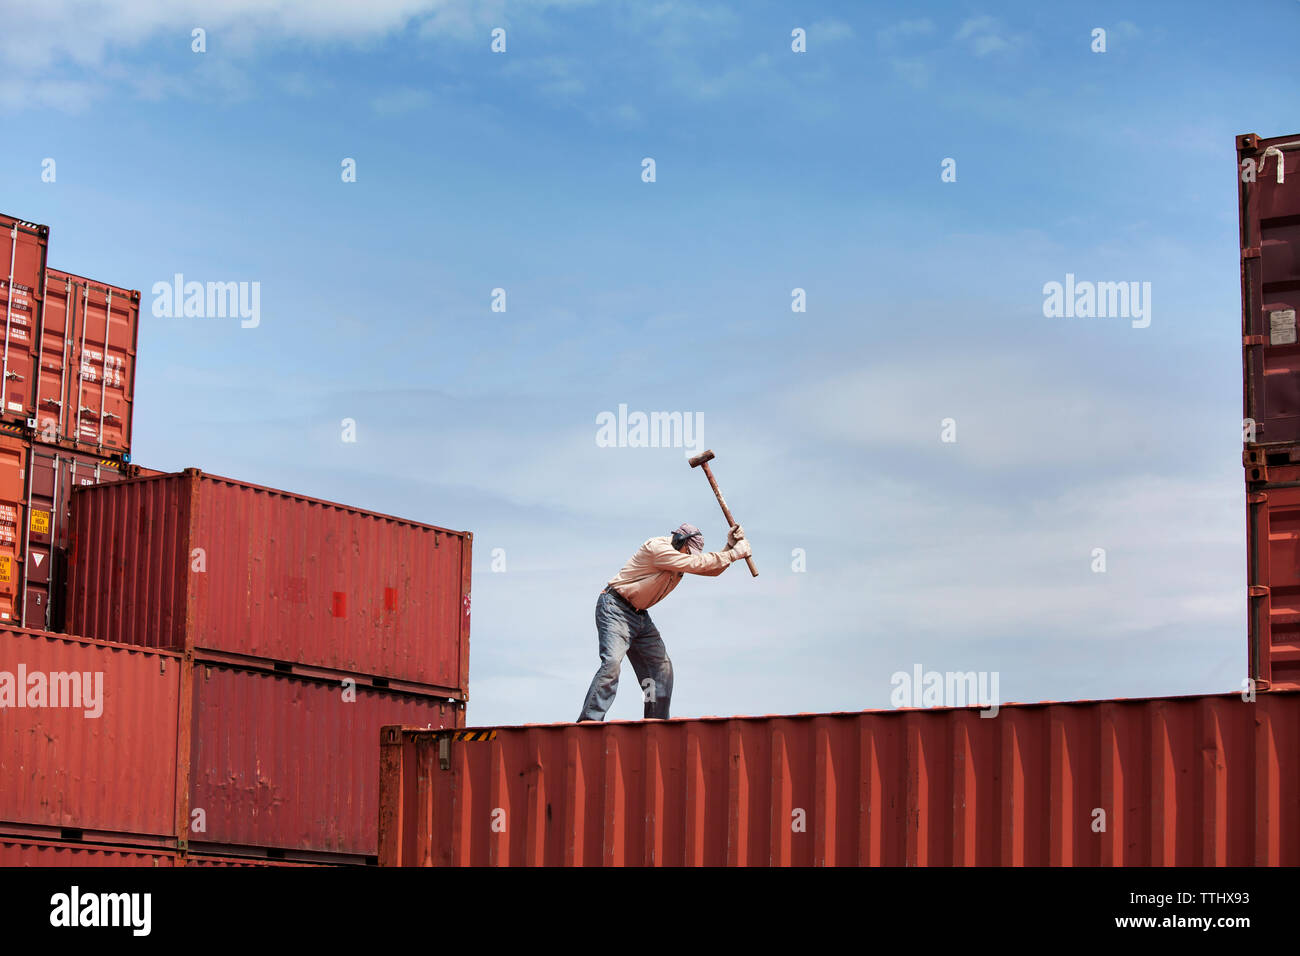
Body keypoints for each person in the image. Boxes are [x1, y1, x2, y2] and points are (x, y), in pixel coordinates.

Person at [577, 522, 751, 722]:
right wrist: (733, 554)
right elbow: (697, 563)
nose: (689, 557)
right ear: (679, 541)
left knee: (661, 669)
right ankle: (589, 722)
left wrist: (729, 548)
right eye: (688, 551)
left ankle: (655, 725)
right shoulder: (658, 548)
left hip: (639, 616)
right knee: (612, 664)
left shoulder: (681, 557)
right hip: (616, 608)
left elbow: (709, 569)